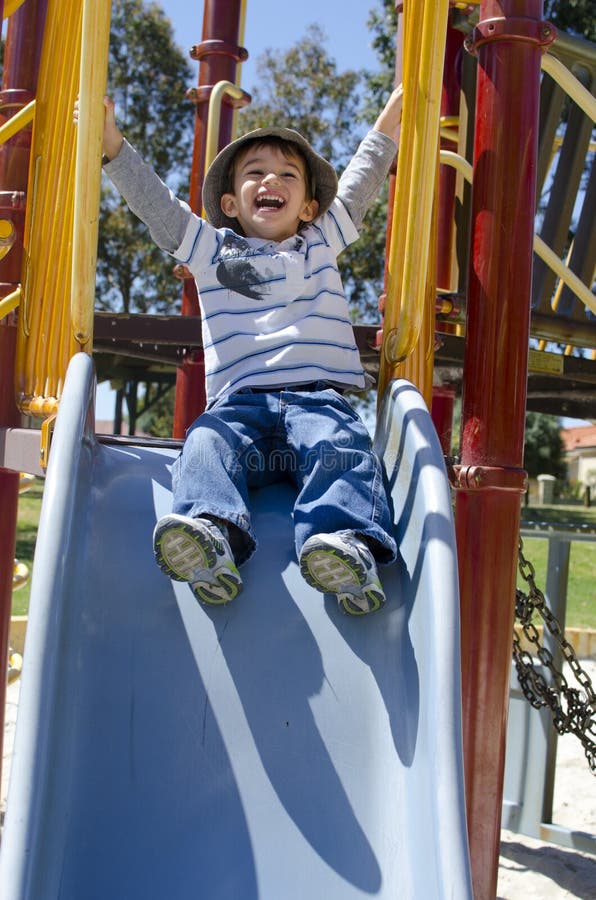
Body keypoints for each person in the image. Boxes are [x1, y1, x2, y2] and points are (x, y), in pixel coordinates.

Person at [99, 84, 403, 615]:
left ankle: (346, 544)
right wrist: (111, 145)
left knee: (343, 448)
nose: (272, 180)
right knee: (205, 443)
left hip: (317, 403)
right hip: (241, 412)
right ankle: (211, 536)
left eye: (288, 175)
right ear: (229, 202)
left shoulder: (321, 241)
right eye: (256, 172)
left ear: (308, 204)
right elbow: (157, 206)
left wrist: (393, 121)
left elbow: (361, 180)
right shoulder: (209, 250)